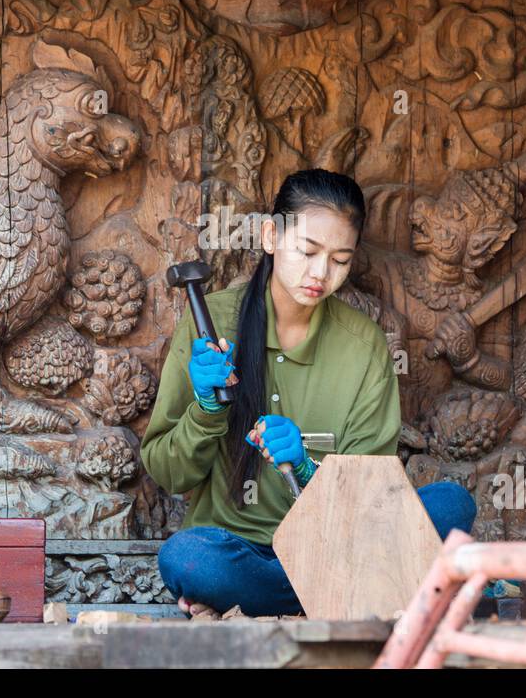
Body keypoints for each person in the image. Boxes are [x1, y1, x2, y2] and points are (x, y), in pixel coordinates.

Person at [142, 169, 476, 617]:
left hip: (339, 545)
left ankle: (298, 594)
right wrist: (205, 409)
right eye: (307, 250)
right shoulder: (212, 324)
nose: (321, 273)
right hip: (241, 550)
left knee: (453, 504)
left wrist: (306, 466)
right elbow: (168, 472)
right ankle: (353, 595)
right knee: (188, 558)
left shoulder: (363, 345)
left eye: (340, 260)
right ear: (270, 237)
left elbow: (371, 497)